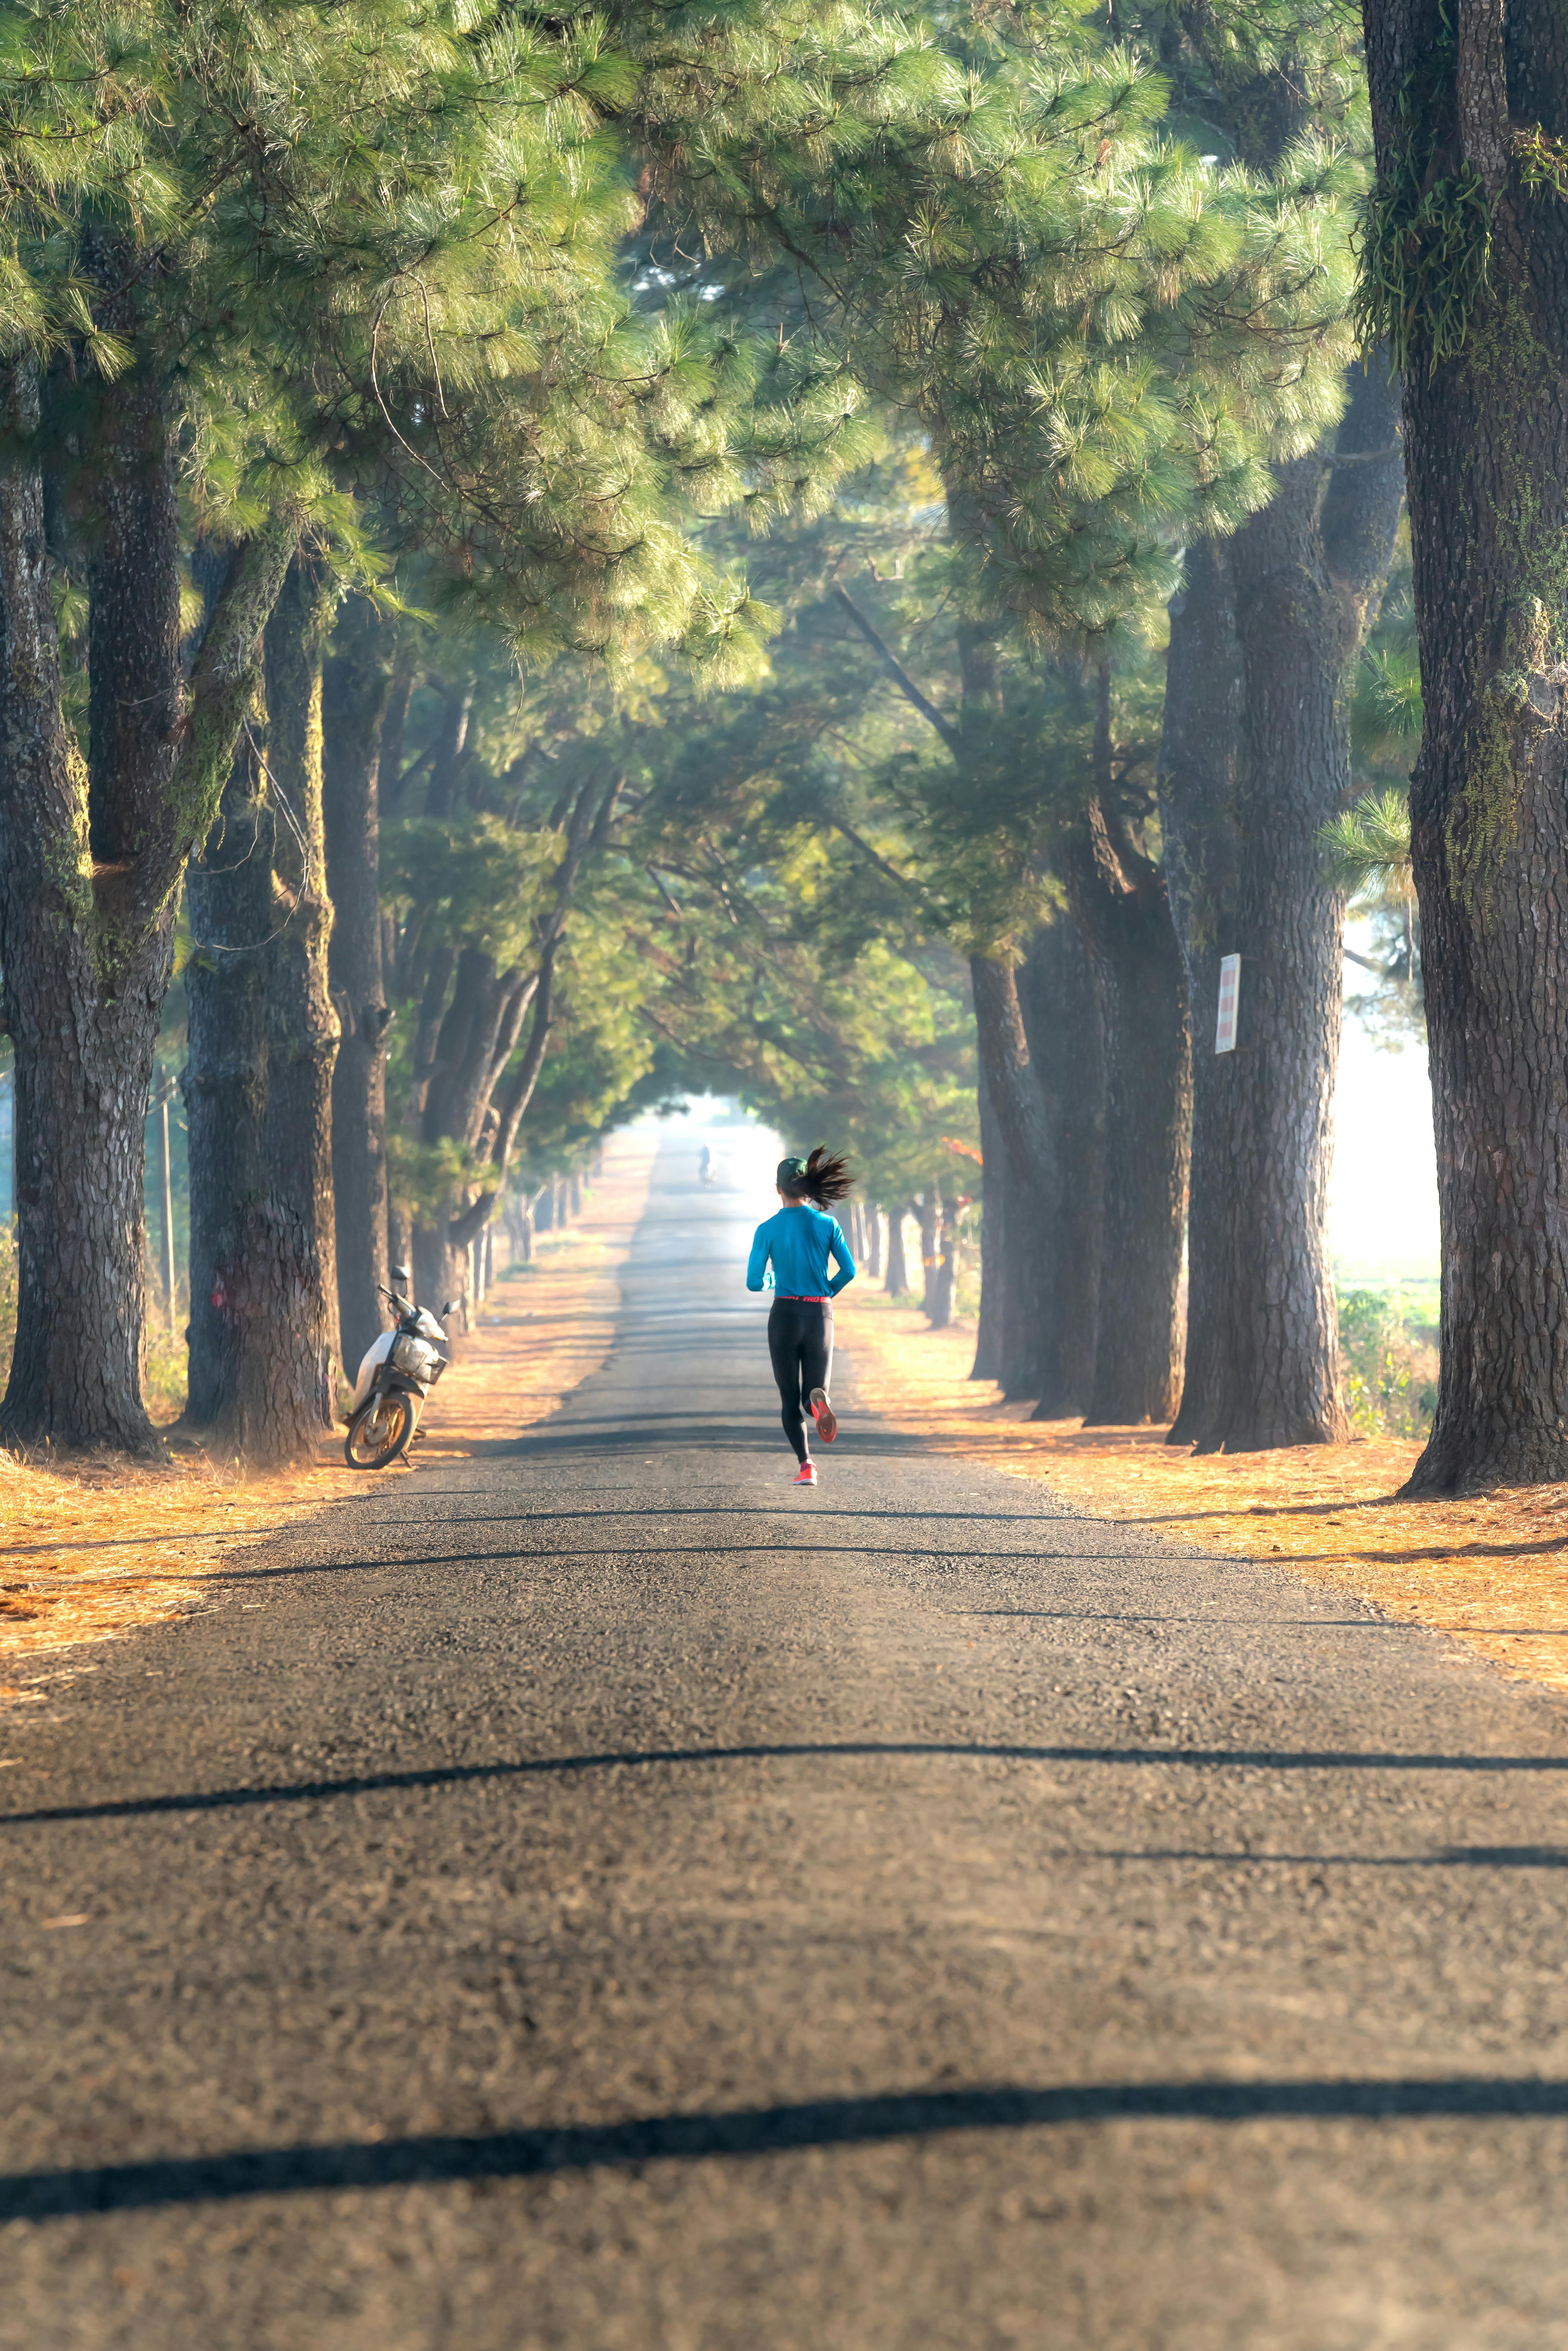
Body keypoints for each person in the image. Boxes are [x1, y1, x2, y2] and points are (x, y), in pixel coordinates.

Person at [746, 1147, 856, 1486]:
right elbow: (849, 1271)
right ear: (808, 1188)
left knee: (788, 1398)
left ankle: (806, 1465)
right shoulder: (828, 1224)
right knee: (814, 1392)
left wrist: (773, 1279)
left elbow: (753, 1282)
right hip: (819, 1313)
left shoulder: (767, 1229)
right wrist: (824, 1291)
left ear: (778, 1189)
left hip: (784, 1314)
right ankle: (818, 1402)